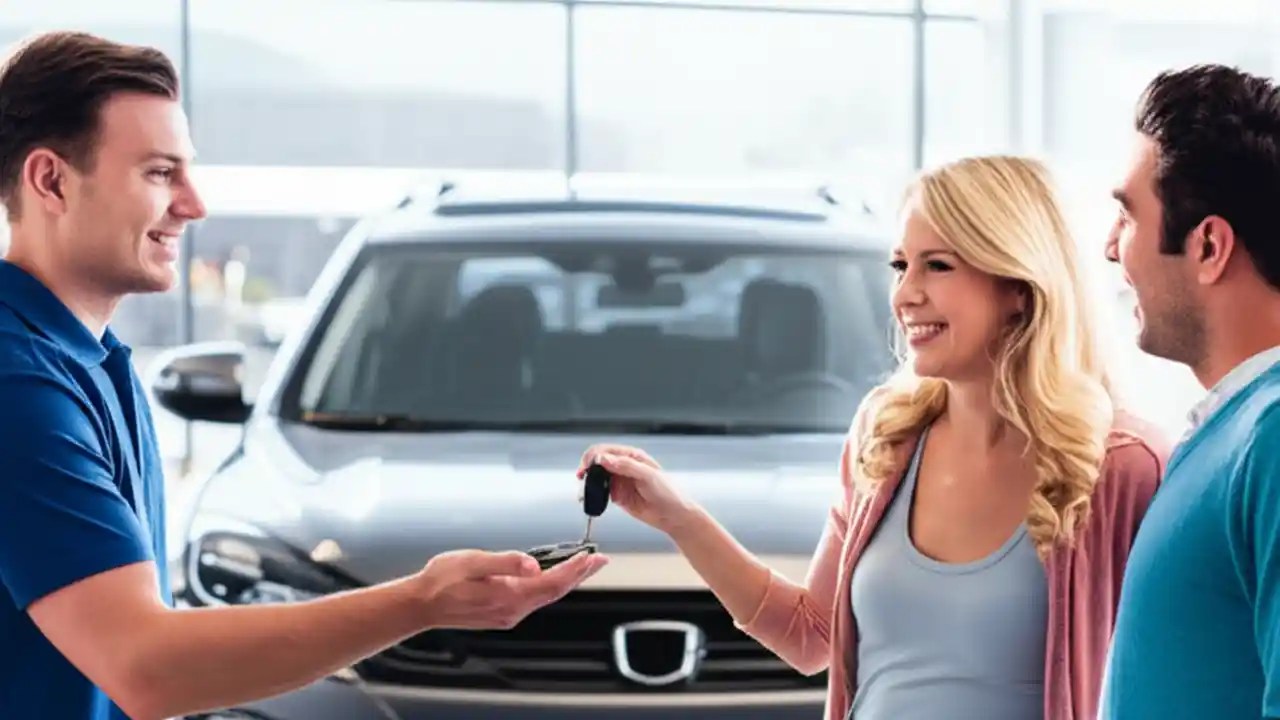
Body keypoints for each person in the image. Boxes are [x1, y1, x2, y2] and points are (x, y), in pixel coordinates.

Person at [0, 30, 607, 720]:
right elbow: (147, 667)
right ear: (51, 180)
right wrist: (422, 601)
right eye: (160, 173)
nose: (195, 205)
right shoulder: (18, 384)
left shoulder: (88, 359)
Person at [580, 154, 1169, 720]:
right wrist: (680, 519)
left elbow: (1176, 679)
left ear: (1018, 286)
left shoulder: (1120, 468)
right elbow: (809, 635)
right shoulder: (888, 437)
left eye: (938, 266)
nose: (906, 293)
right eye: (900, 265)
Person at [1100, 64, 1280, 720]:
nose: (1110, 248)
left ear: (1208, 246)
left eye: (1126, 217)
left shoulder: (1270, 439)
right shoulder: (1229, 432)